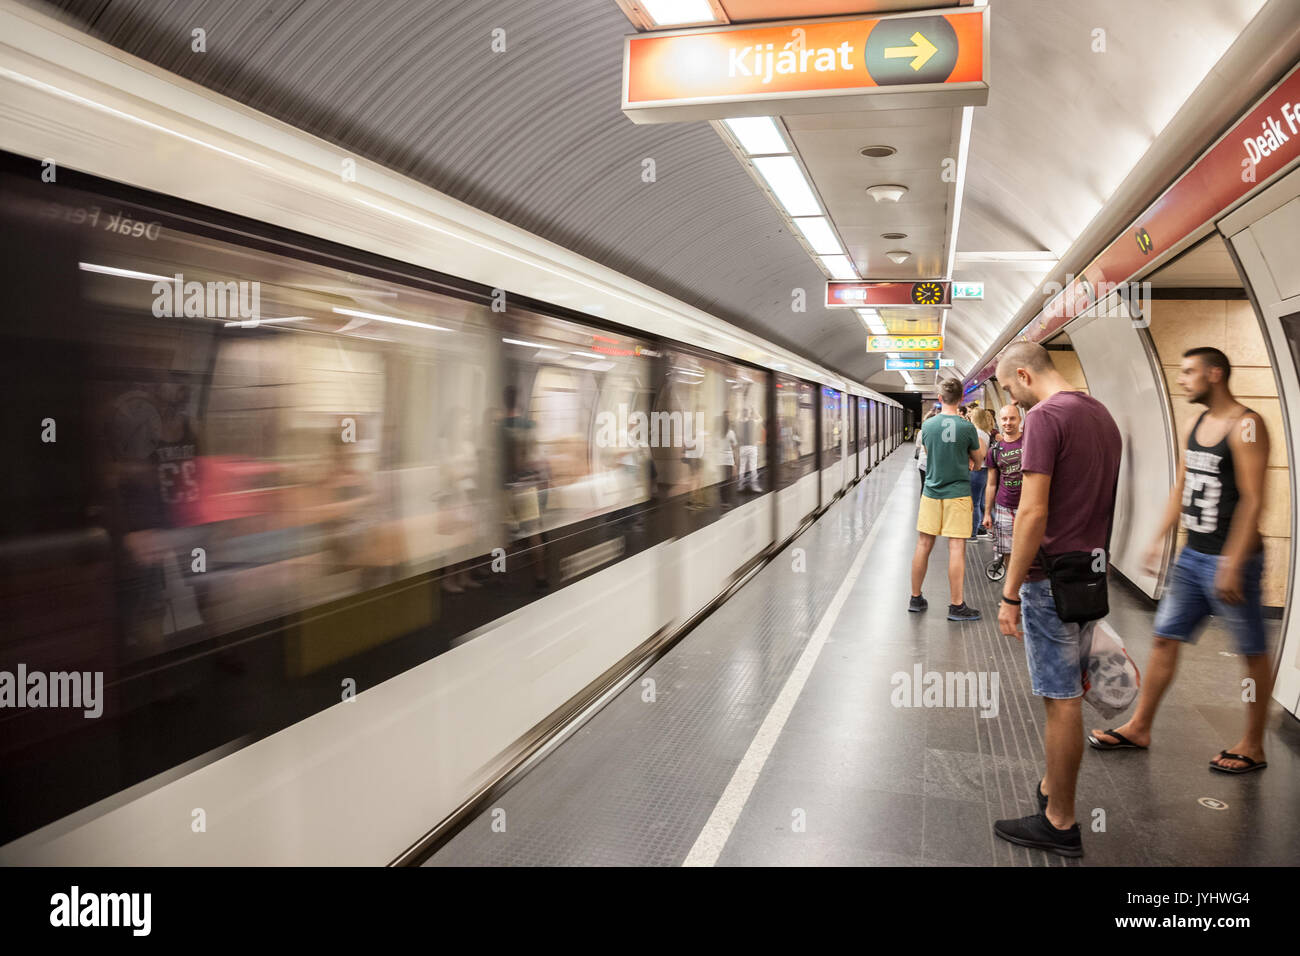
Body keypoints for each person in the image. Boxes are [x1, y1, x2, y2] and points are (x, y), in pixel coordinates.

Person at [1088, 348, 1273, 774]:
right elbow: (1182, 489)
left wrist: (1233, 558)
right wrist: (1159, 540)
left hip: (1234, 560)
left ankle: (1254, 743)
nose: (1183, 379)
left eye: (1190, 372)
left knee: (1251, 651)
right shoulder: (1195, 423)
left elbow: (1252, 498)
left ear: (1216, 373)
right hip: (1192, 557)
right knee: (1164, 638)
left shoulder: (1246, 425)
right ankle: (1140, 727)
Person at [993, 341, 1121, 858]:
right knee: (1068, 691)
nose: (1013, 402)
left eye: (1010, 390)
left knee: (1061, 699)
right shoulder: (1100, 413)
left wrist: (1010, 593)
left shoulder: (1046, 418)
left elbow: (1031, 512)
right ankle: (1052, 787)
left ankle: (1060, 821)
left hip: (1050, 580)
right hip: (1088, 573)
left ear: (1024, 374)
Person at [909, 378, 983, 621]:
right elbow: (979, 460)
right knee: (956, 547)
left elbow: (929, 453)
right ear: (961, 399)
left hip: (931, 493)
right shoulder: (966, 427)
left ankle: (916, 598)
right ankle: (956, 605)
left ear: (940, 399)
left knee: (923, 545)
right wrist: (969, 460)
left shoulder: (928, 426)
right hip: (958, 494)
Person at [982, 403, 1024, 573]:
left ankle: (1026, 590)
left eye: (1012, 418)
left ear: (1019, 419)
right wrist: (986, 513)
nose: (1008, 422)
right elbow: (991, 484)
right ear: (999, 421)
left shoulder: (1030, 442)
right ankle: (1011, 591)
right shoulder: (995, 450)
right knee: (1007, 551)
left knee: (1030, 549)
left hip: (1028, 506)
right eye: (1004, 419)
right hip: (1004, 506)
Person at [969, 408, 996, 539]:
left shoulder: (978, 432)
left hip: (978, 470)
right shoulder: (985, 431)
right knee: (980, 502)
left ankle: (973, 533)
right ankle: (983, 527)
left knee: (974, 502)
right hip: (984, 471)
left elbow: (982, 453)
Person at [738, 406, 761, 492]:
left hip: (743, 447)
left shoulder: (740, 422)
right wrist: (755, 411)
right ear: (748, 413)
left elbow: (737, 418)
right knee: (753, 467)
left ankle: (740, 486)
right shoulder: (753, 422)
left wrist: (740, 413)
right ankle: (754, 486)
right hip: (752, 447)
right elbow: (760, 418)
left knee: (742, 467)